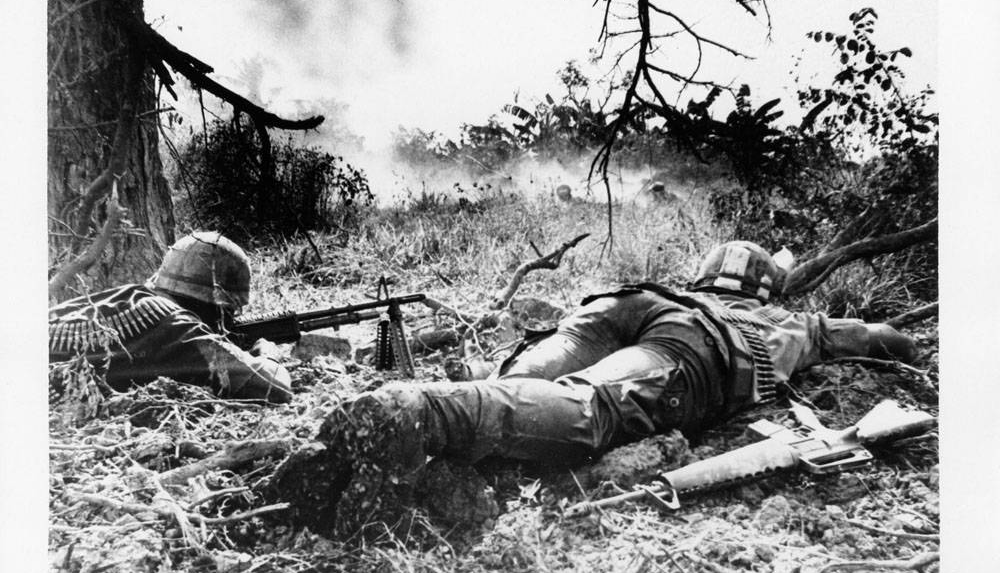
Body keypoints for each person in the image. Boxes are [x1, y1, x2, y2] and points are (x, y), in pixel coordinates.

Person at [274, 240, 918, 534]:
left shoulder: (673, 289)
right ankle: (427, 416)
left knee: (526, 376)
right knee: (595, 403)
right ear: (762, 290)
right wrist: (902, 342)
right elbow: (880, 339)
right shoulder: (780, 319)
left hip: (622, 306)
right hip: (695, 350)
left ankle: (378, 454)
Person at [49, 231, 293, 404]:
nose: (229, 318)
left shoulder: (133, 297)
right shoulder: (177, 327)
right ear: (212, 303)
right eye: (228, 310)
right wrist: (267, 353)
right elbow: (275, 387)